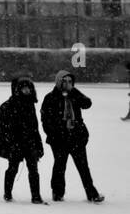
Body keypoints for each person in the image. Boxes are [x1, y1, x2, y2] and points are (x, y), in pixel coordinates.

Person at [40, 69, 103, 203]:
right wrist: (54, 134)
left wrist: (73, 91)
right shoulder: (50, 97)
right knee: (60, 166)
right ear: (58, 82)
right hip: (59, 139)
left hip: (76, 137)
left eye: (70, 81)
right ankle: (57, 193)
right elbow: (45, 120)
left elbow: (87, 103)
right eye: (65, 81)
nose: (68, 84)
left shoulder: (74, 95)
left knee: (83, 167)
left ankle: (92, 193)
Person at [0, 76, 45, 204]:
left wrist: (38, 145)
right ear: (18, 90)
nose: (27, 91)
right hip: (15, 144)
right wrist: (10, 144)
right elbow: (3, 129)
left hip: (30, 143)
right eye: (24, 88)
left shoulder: (30, 105)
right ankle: (7, 193)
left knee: (33, 170)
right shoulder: (7, 106)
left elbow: (34, 127)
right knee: (13, 168)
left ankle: (36, 196)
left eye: (29, 88)